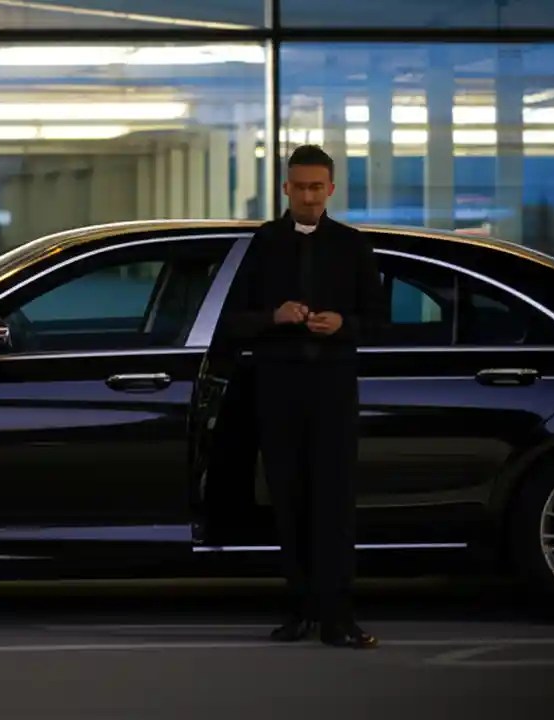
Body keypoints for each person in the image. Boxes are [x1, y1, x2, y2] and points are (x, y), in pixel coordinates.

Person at [220, 145, 386, 649]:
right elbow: (231, 321)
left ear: (331, 190)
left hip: (333, 389)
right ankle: (298, 611)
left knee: (334, 504)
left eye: (317, 187)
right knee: (287, 500)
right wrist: (274, 317)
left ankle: (338, 616)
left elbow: (379, 322)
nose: (309, 196)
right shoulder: (264, 243)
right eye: (300, 187)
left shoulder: (354, 245)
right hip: (278, 389)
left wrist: (344, 324)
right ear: (286, 189)